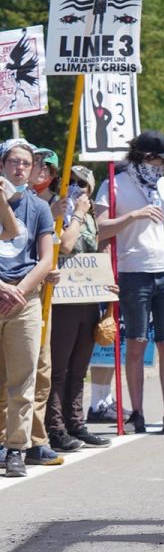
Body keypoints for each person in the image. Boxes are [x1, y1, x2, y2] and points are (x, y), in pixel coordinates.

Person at [94, 130, 164, 435]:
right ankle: (137, 412)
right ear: (146, 157)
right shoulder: (113, 183)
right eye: (163, 160)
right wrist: (133, 215)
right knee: (136, 343)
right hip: (132, 269)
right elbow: (100, 228)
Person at [45, 165, 112, 453]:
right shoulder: (59, 210)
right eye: (69, 181)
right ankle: (55, 427)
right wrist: (77, 213)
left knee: (79, 366)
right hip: (62, 298)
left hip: (87, 295)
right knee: (58, 367)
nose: (74, 187)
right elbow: (67, 245)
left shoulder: (90, 216)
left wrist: (108, 290)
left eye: (81, 184)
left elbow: (96, 251)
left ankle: (76, 422)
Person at [0, 142, 52, 476]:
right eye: (14, 162)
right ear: (2, 164)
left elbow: (46, 259)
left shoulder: (39, 207)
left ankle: (16, 448)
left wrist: (19, 289)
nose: (21, 168)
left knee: (23, 379)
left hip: (23, 301)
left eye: (27, 163)